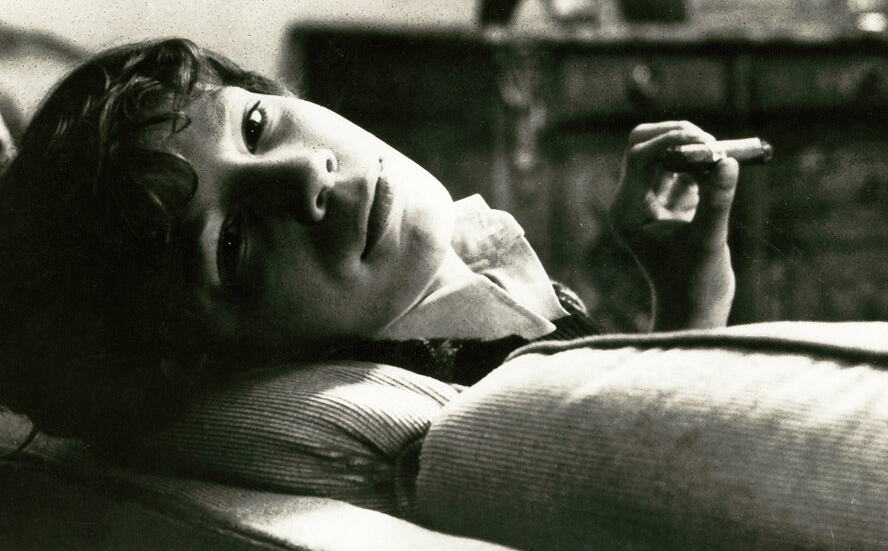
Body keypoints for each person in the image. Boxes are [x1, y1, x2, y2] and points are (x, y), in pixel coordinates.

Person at [0, 38, 738, 449]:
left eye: (255, 125)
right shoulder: (465, 404)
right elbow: (662, 474)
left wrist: (684, 294)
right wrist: (697, 315)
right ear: (214, 360)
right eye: (233, 244)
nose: (306, 174)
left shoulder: (465, 297)